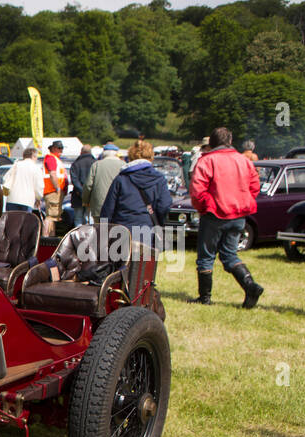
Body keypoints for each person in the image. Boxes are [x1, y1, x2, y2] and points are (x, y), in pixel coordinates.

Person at [188, 126, 263, 307]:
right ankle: (250, 285)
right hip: (238, 215)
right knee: (230, 255)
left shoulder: (207, 161)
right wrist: (242, 201)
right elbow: (255, 186)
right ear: (230, 141)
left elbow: (197, 191)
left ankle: (205, 298)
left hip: (214, 214)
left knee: (206, 257)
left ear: (212, 142)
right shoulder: (243, 161)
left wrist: (204, 207)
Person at [98, 139, 172, 249]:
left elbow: (108, 209)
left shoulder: (121, 179)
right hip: (146, 228)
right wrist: (158, 222)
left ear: (131, 157)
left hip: (121, 229)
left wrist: (103, 233)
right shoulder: (159, 179)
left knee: (121, 264)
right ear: (151, 157)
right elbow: (164, 205)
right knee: (145, 264)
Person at [84, 144, 124, 221]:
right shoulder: (124, 165)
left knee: (100, 231)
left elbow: (88, 185)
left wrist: (85, 201)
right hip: (118, 207)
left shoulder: (96, 165)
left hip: (99, 207)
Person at [1, 147, 44, 213]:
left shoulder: (16, 165)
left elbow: (5, 178)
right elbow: (39, 186)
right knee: (23, 222)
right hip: (27, 201)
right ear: (33, 156)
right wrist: (38, 198)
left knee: (11, 222)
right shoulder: (36, 168)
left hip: (12, 199)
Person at [42, 140, 68, 235]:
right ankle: (46, 238)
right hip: (53, 191)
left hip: (54, 191)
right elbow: (52, 174)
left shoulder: (54, 158)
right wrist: (57, 188)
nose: (61, 150)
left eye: (62, 148)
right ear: (53, 148)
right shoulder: (51, 158)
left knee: (53, 217)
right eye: (59, 148)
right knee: (51, 216)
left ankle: (50, 237)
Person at [69, 143, 96, 225]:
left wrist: (81, 192)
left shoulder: (76, 164)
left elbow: (74, 180)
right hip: (91, 195)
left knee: (78, 218)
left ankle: (79, 237)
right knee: (90, 218)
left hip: (77, 195)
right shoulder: (95, 163)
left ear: (81, 152)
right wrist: (88, 192)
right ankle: (90, 236)